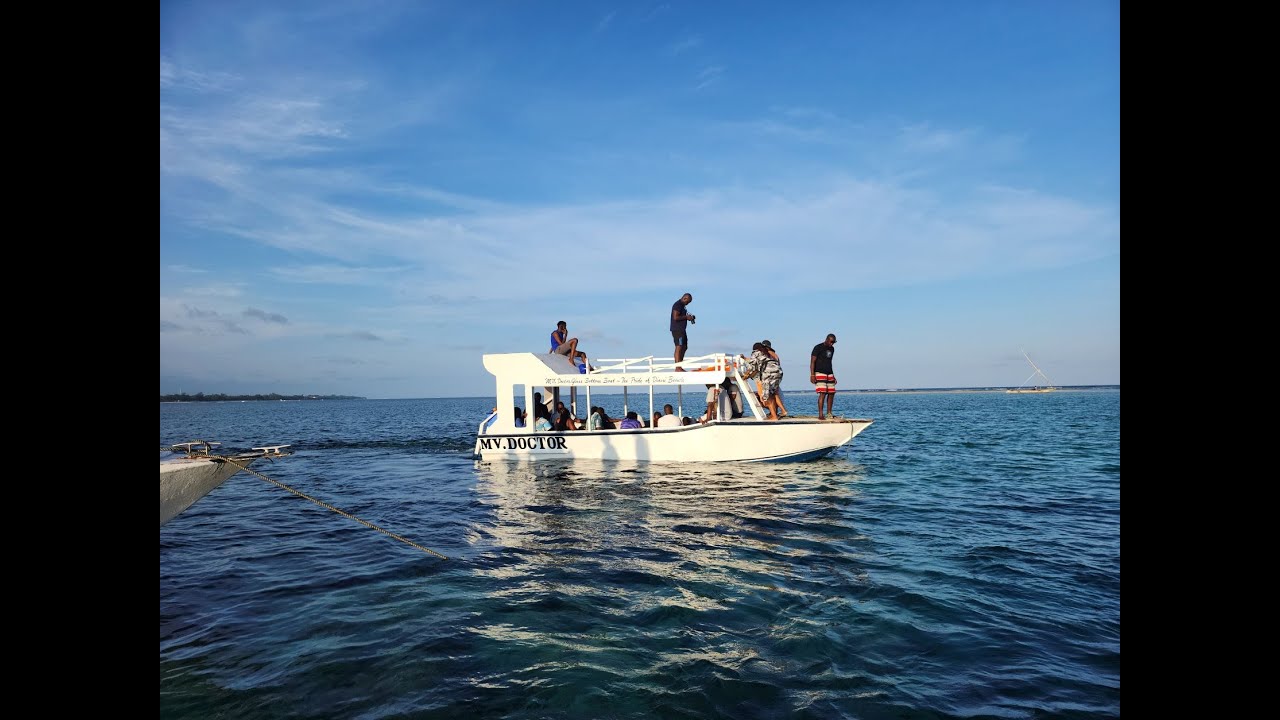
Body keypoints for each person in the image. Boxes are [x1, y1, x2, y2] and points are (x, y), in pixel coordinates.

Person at [810, 333, 838, 420]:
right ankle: (820, 415)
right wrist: (812, 374)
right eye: (831, 342)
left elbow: (829, 362)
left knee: (831, 393)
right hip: (819, 372)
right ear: (826, 339)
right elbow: (812, 362)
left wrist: (833, 376)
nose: (832, 344)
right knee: (822, 393)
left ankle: (829, 413)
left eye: (833, 342)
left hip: (829, 373)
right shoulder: (818, 347)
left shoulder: (832, 349)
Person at [760, 340, 788, 418]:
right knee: (774, 394)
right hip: (778, 375)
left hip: (771, 376)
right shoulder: (775, 355)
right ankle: (780, 411)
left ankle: (777, 413)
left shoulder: (766, 354)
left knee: (770, 395)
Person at [670, 292, 695, 370]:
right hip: (677, 329)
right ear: (684, 298)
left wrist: (690, 317)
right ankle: (678, 367)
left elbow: (682, 316)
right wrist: (686, 317)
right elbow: (675, 317)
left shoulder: (683, 306)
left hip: (682, 329)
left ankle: (680, 364)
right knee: (679, 346)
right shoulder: (678, 305)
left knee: (684, 346)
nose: (688, 303)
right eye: (688, 302)